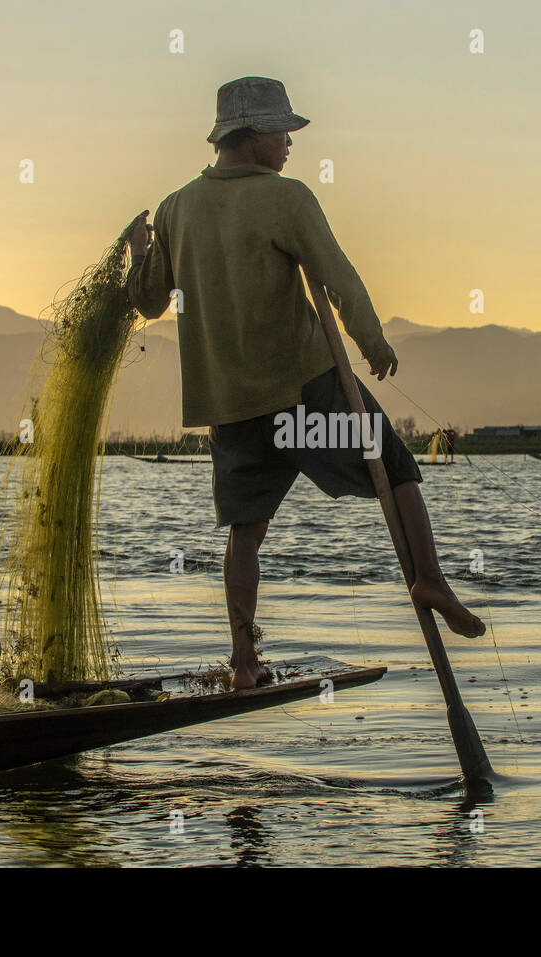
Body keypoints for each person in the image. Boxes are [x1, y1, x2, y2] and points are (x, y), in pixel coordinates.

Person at [126, 77, 485, 688]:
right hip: (304, 390)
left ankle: (243, 661)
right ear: (250, 136)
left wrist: (141, 252)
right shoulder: (287, 198)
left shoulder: (175, 207)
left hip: (231, 406)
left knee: (246, 532)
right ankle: (429, 576)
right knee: (396, 468)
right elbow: (338, 277)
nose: (290, 143)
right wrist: (373, 343)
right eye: (282, 132)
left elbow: (150, 302)